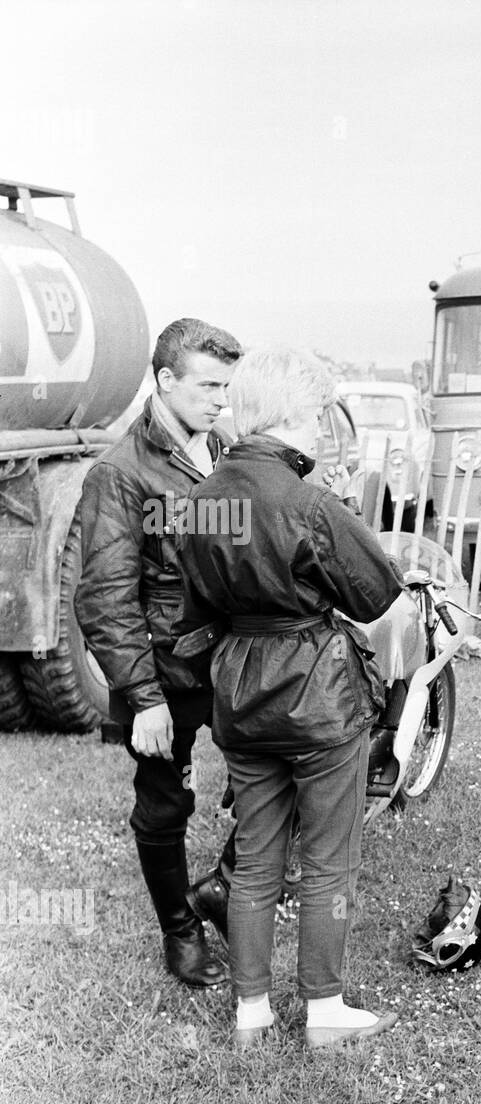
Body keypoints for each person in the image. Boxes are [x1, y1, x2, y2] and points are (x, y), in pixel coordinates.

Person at [173, 346, 404, 1049]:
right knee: (329, 857)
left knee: (255, 860)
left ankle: (252, 1014)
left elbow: (193, 605)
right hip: (316, 693)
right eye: (316, 415)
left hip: (239, 691)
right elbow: (377, 593)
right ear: (297, 416)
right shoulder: (309, 501)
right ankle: (326, 1010)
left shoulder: (202, 500)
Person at [75, 318, 243, 987]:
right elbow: (107, 596)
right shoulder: (119, 475)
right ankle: (181, 929)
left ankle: (224, 887)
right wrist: (142, 698)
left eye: (226, 386)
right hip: (165, 670)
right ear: (165, 380)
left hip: (234, 658)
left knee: (284, 771)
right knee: (164, 803)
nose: (219, 400)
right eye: (207, 385)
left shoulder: (225, 448)